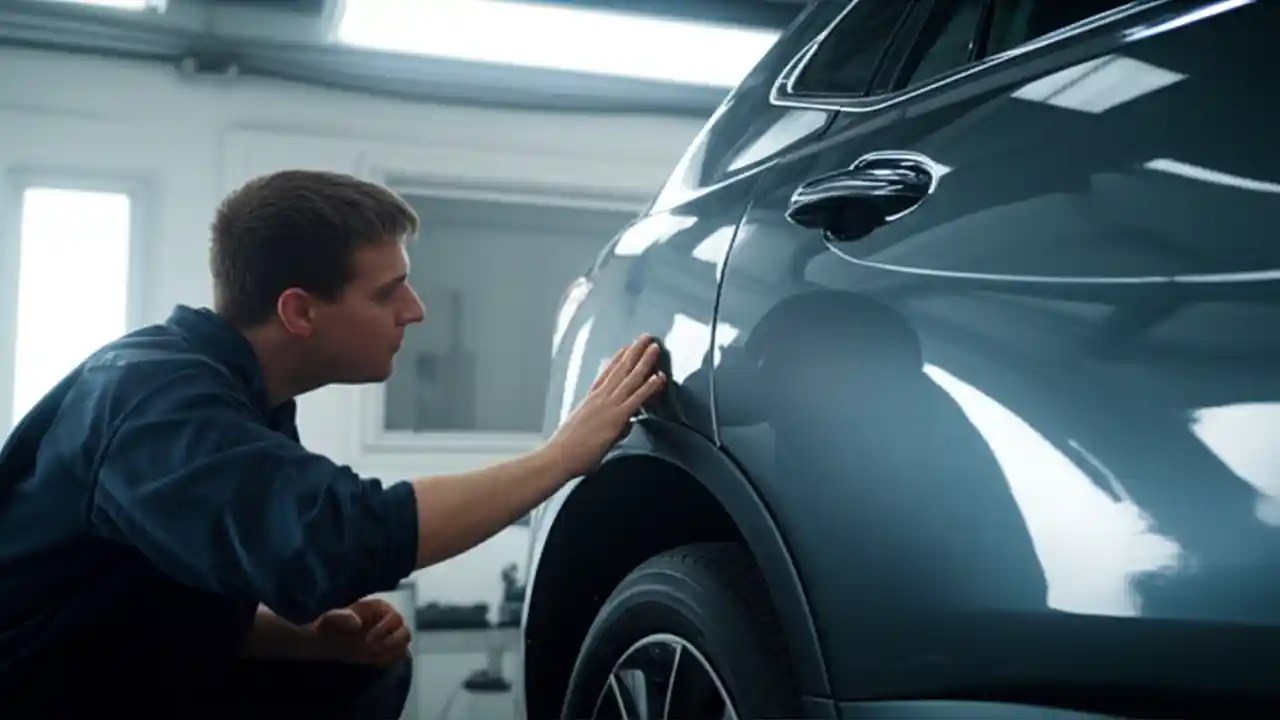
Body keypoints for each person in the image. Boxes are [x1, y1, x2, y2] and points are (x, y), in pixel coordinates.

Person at [0, 169, 666, 717]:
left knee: (358, 671)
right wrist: (559, 458)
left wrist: (304, 640)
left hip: (97, 677)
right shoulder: (155, 403)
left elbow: (140, 602)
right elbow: (335, 538)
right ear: (299, 312)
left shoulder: (233, 397)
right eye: (387, 291)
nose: (415, 310)